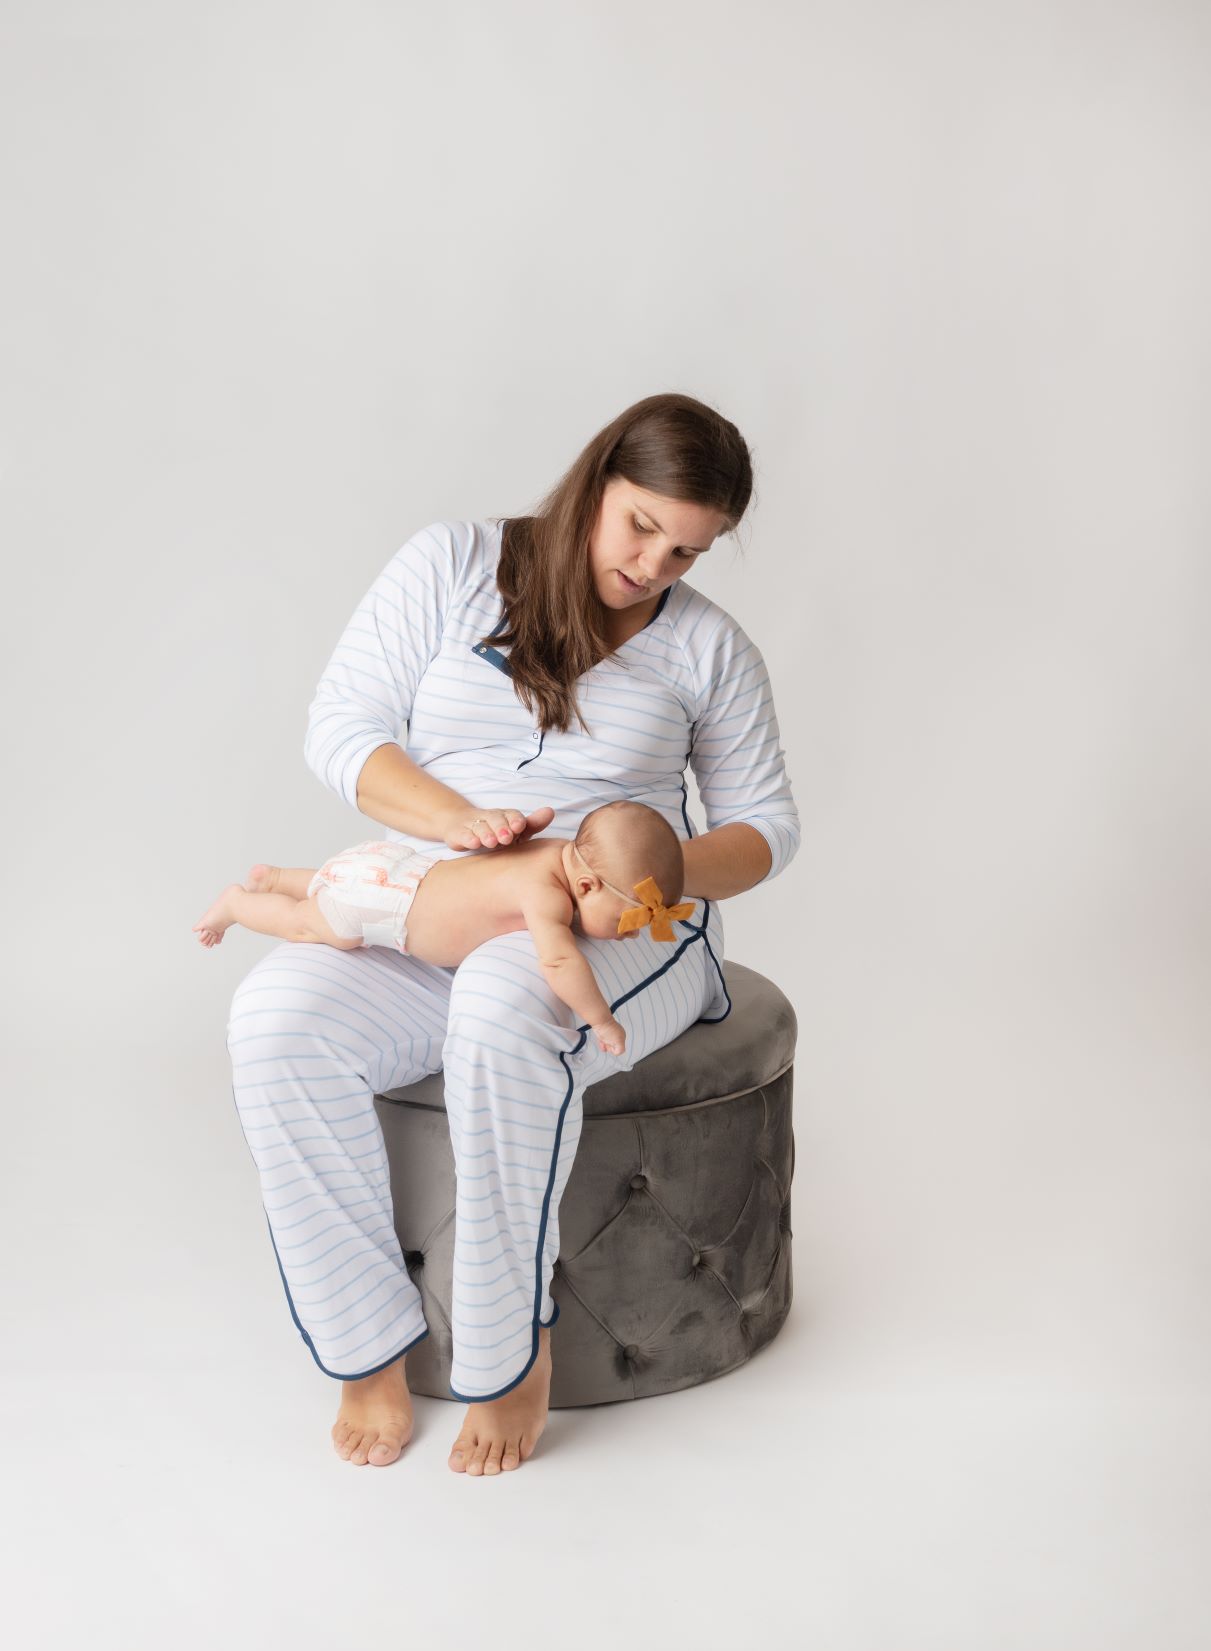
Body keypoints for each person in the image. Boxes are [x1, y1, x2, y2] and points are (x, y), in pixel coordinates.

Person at [225, 391, 800, 1477]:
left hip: (616, 917)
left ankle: (507, 1353)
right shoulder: (450, 564)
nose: (652, 564)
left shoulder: (710, 650)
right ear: (595, 479)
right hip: (451, 889)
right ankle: (363, 1347)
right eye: (639, 525)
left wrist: (660, 877)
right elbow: (342, 726)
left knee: (503, 1007)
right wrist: (461, 828)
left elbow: (766, 825)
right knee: (274, 1019)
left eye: (687, 549)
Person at [198, 800, 695, 1057]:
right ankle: (240, 905)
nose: (635, 934)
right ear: (585, 886)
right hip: (379, 908)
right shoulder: (546, 896)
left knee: (324, 883)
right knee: (306, 925)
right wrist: (602, 1020)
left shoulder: (552, 848)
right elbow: (560, 962)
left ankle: (280, 877)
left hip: (396, 866)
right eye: (632, 922)